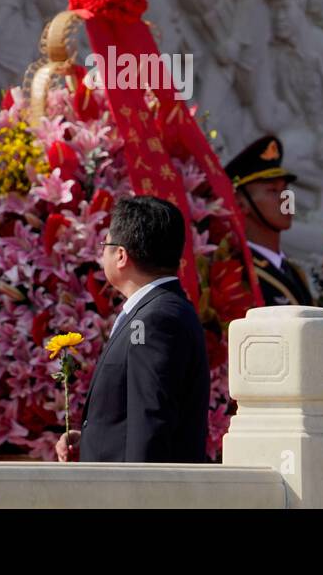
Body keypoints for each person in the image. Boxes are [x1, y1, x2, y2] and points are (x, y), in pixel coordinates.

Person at [55, 196, 209, 464]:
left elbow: (152, 421)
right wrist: (94, 440)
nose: (102, 252)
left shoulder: (156, 318)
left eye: (105, 245)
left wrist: (137, 496)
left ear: (122, 255)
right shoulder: (158, 309)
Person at [224, 135, 314, 307]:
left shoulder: (294, 273)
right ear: (241, 204)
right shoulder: (239, 273)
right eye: (273, 190)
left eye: (286, 189)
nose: (286, 198)